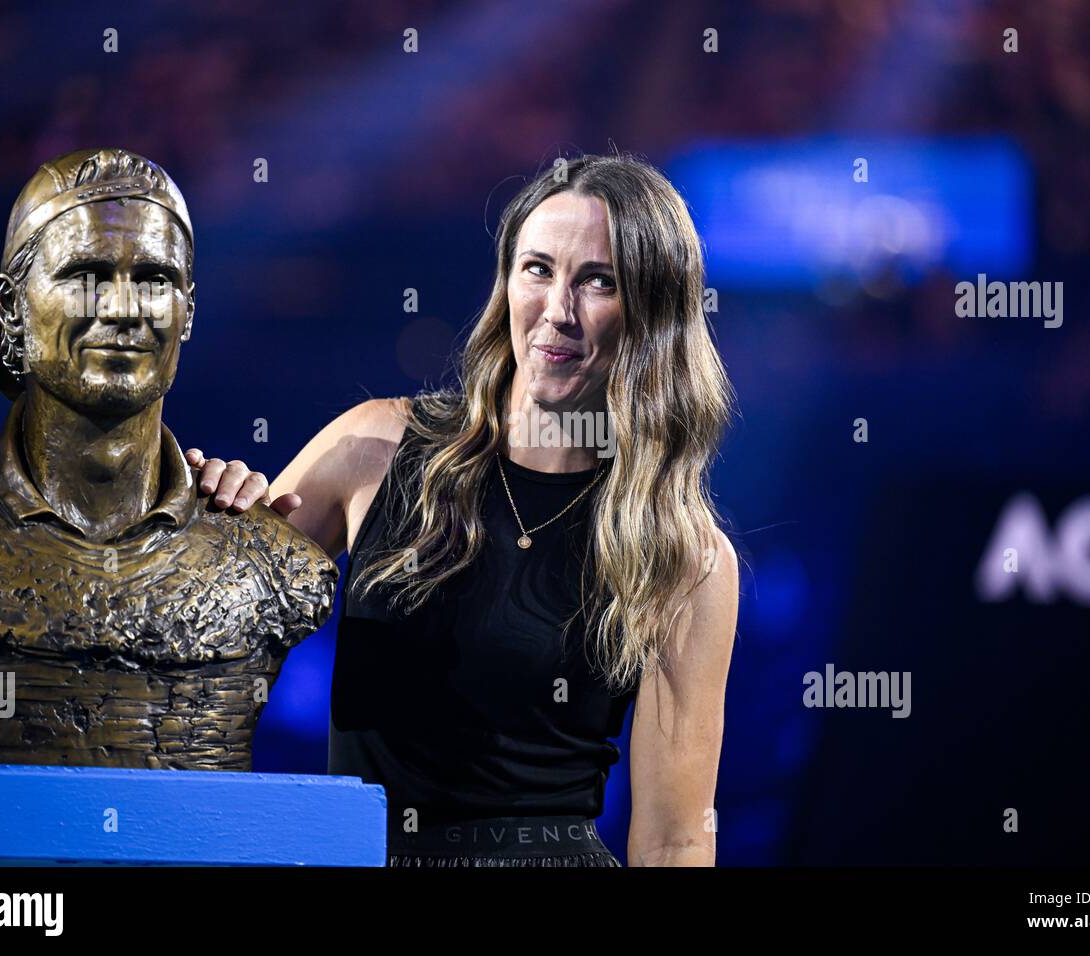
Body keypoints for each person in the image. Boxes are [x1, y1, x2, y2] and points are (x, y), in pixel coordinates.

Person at [187, 153, 739, 865]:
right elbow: (197, 617)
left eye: (598, 281)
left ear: (654, 313)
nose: (558, 312)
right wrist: (201, 505)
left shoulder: (683, 554)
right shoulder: (374, 447)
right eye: (537, 269)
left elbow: (675, 839)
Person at [0, 148, 337, 770]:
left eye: (154, 280)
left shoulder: (273, 563)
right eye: (84, 275)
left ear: (188, 310)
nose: (122, 308)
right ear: (12, 308)